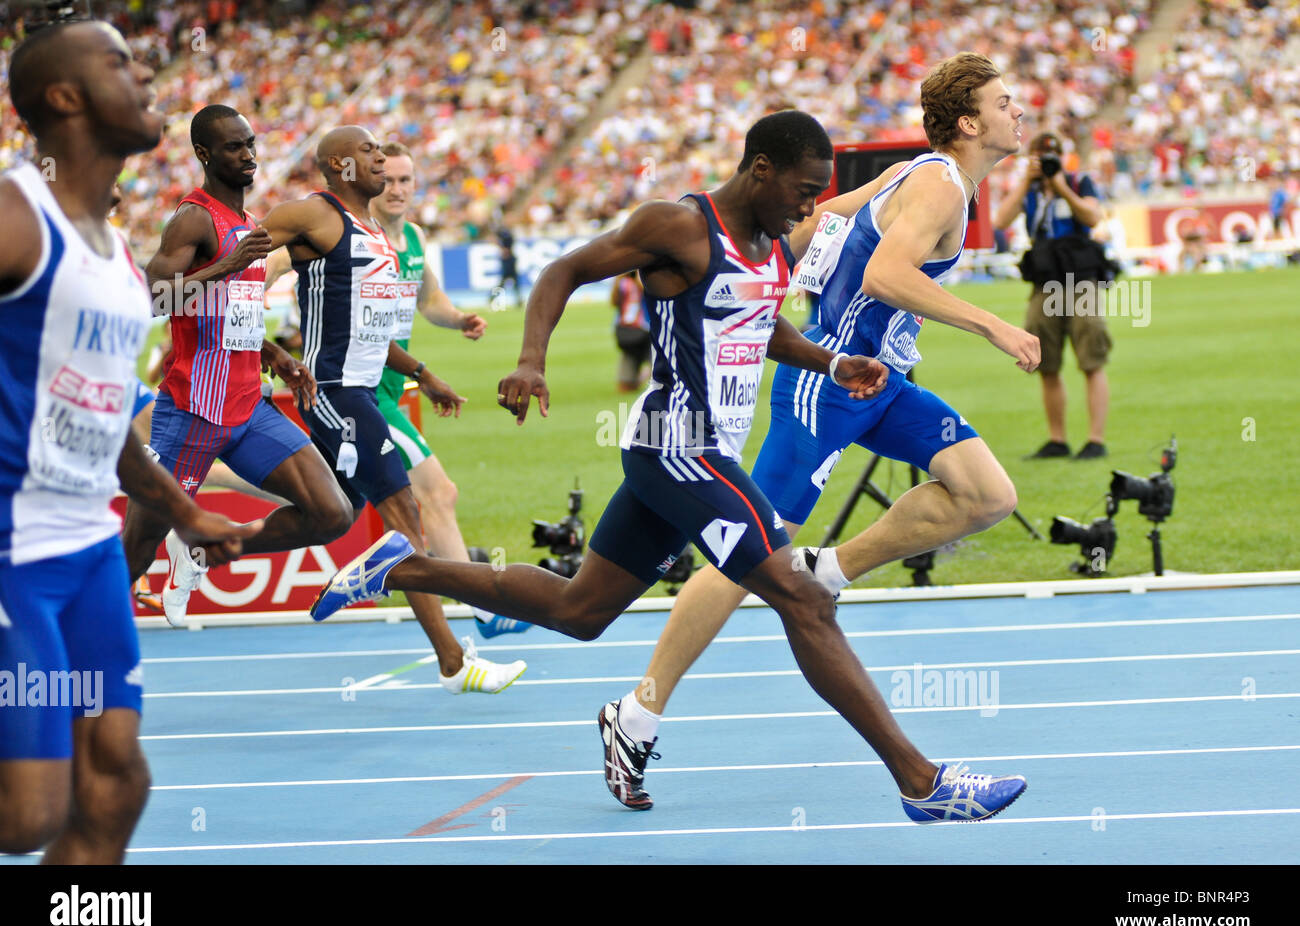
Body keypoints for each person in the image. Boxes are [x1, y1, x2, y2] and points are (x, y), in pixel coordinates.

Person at [311, 109, 1029, 824]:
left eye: (819, 191)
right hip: (679, 445)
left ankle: (397, 567)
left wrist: (832, 361)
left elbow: (761, 323)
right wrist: (531, 360)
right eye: (803, 189)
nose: (811, 206)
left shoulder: (772, 240)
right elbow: (567, 268)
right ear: (761, 171)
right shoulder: (680, 226)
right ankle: (921, 781)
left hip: (693, 450)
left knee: (580, 609)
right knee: (803, 597)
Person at [595, 52, 1042, 810]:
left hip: (883, 380)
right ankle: (634, 716)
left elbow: (827, 215)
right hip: (826, 385)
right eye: (1007, 102)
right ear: (970, 122)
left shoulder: (925, 173)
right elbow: (884, 277)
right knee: (741, 554)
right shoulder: (935, 182)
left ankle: (825, 570)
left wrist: (777, 262)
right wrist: (992, 323)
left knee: (985, 492)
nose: (1019, 112)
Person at [0, 19, 260, 863]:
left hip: (89, 552)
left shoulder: (116, 258)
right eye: (121, 62)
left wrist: (186, 511)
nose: (146, 75)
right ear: (65, 98)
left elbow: (107, 425)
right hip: (13, 553)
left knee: (116, 781)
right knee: (26, 815)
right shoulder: (15, 217)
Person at [257, 125, 526, 695]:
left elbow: (383, 325)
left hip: (370, 387)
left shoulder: (387, 238)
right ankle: (455, 656)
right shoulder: (319, 219)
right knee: (410, 511)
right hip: (339, 392)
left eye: (399, 169)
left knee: (333, 515)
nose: (387, 170)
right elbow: (256, 260)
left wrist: (424, 375)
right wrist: (262, 341)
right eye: (375, 158)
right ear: (341, 165)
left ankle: (209, 544)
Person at [120, 104, 359, 627]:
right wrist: (227, 264)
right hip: (192, 413)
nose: (248, 154)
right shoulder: (194, 217)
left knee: (331, 513)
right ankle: (81, 670)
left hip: (249, 407)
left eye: (251, 142)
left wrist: (277, 355)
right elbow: (155, 296)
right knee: (133, 554)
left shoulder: (249, 222)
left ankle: (204, 551)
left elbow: (234, 316)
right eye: (234, 146)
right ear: (204, 154)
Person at [367, 141, 530, 639]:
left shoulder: (413, 237)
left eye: (405, 180)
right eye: (386, 180)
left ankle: (196, 492)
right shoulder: (355, 237)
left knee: (323, 499)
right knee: (439, 492)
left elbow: (428, 296)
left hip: (389, 388)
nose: (396, 190)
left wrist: (458, 318)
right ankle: (483, 606)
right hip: (363, 390)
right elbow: (280, 261)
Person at [994, 131, 1109, 460]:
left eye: (1050, 157)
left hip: (1079, 280)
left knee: (1092, 358)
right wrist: (1025, 183)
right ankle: (1057, 439)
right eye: (1040, 157)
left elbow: (1092, 217)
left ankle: (1095, 439)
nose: (1045, 162)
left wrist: (1059, 185)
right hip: (1044, 282)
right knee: (1045, 362)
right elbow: (1000, 221)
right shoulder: (1028, 191)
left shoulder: (1077, 181)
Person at [611, 270, 651, 392]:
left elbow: (646, 290)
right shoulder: (624, 282)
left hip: (640, 330)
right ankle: (640, 376)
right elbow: (614, 301)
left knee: (663, 375)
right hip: (632, 330)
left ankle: (645, 373)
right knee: (625, 387)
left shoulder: (626, 281)